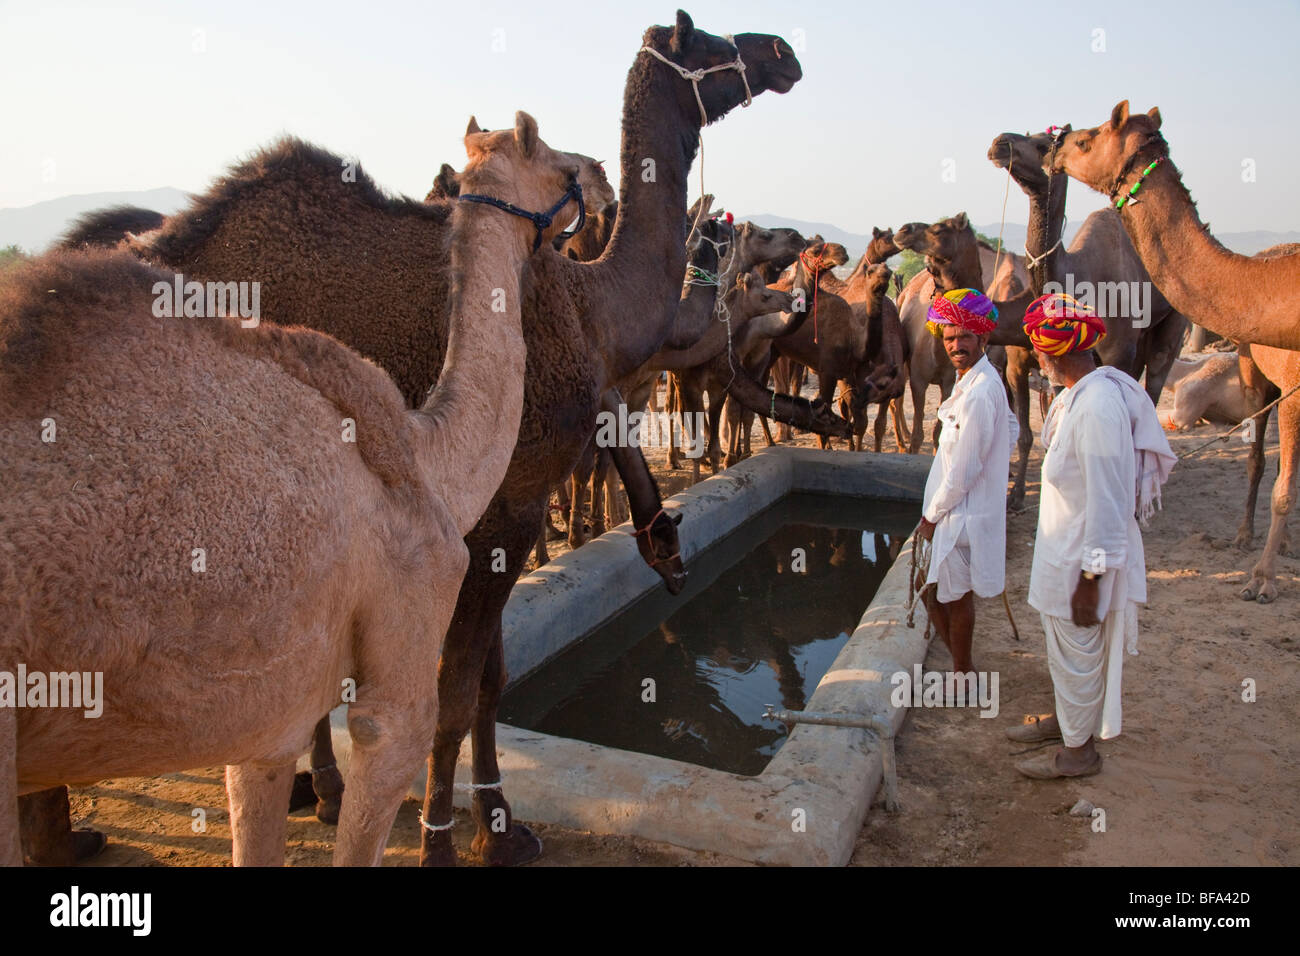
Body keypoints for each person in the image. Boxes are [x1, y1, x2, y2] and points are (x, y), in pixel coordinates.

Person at [1010, 294, 1176, 778]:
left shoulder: (1096, 408)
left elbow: (1108, 503)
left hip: (1080, 562)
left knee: (1079, 655)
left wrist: (1090, 578)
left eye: (1037, 349)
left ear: (1049, 354)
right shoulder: (1075, 397)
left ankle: (1078, 754)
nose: (1035, 357)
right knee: (1066, 653)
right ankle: (1067, 725)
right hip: (1062, 552)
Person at [918, 289, 1019, 682]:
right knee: (935, 589)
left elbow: (962, 472)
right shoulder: (975, 381)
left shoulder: (979, 393)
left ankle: (963, 672)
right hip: (961, 508)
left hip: (960, 513)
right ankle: (963, 668)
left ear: (983, 339)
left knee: (952, 594)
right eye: (948, 339)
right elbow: (1009, 428)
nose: (956, 346)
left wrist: (930, 517)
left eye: (964, 337)